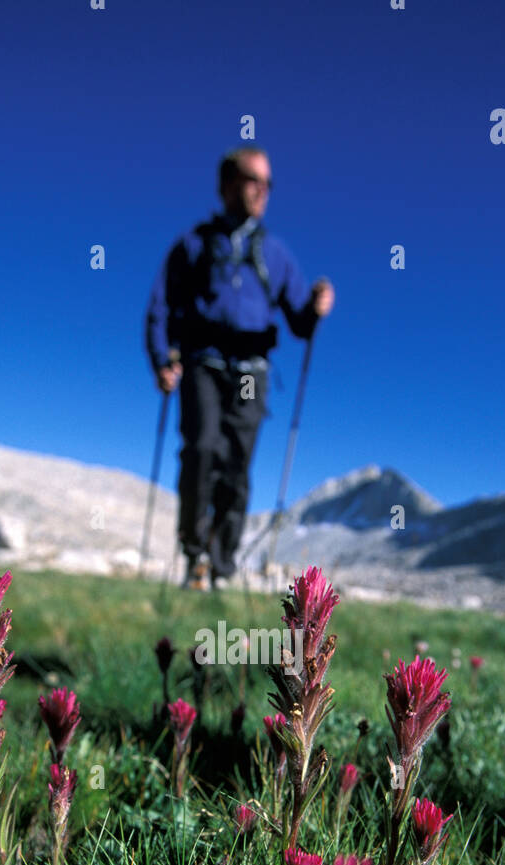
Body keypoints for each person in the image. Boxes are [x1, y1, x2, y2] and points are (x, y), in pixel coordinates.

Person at [145, 146, 335, 589]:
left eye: (268, 183)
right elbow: (160, 306)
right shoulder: (192, 244)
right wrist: (161, 359)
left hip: (252, 373)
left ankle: (223, 563)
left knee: (237, 461)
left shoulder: (276, 253)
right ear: (227, 185)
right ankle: (195, 557)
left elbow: (300, 324)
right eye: (254, 180)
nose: (262, 190)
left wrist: (315, 306)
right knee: (201, 449)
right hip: (203, 365)